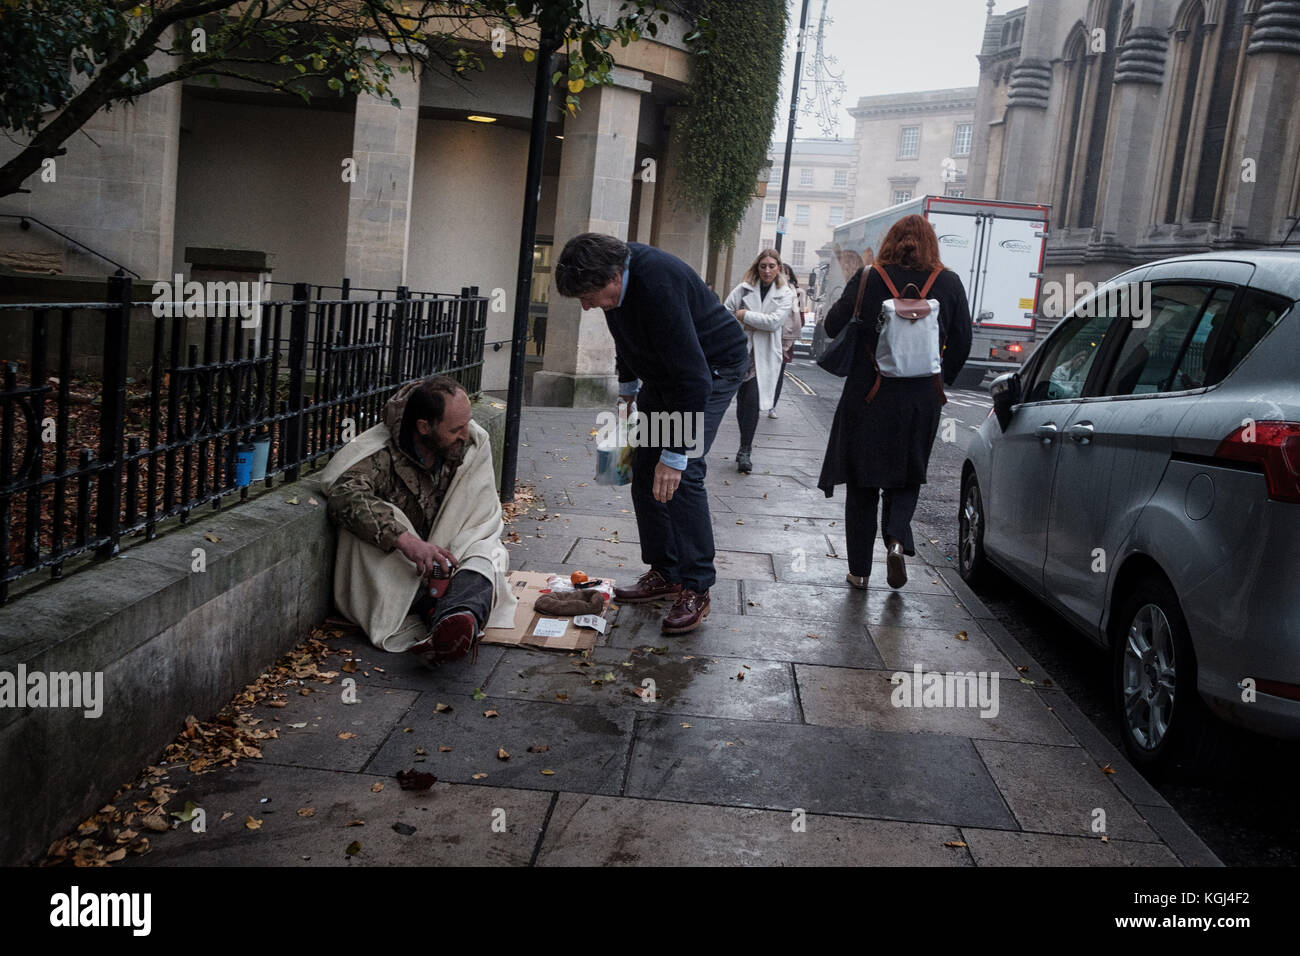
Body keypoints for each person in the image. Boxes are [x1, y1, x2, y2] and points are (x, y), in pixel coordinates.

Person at [554, 232, 748, 634]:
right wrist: (627, 389)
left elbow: (693, 379)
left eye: (588, 295)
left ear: (613, 277)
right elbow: (625, 336)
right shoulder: (614, 287)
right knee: (644, 468)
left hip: (711, 369)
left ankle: (696, 586)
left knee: (684, 472)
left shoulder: (658, 283)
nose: (587, 305)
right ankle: (667, 571)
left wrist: (676, 454)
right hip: (666, 372)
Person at [817, 214, 972, 590]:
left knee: (862, 481)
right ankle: (897, 539)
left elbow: (833, 325)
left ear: (889, 242)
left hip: (868, 393)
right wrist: (939, 377)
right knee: (908, 473)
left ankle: (859, 571)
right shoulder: (948, 282)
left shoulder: (870, 277)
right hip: (921, 398)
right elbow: (963, 341)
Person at [321, 376, 517, 666]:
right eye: (455, 429)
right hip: (405, 566)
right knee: (375, 529)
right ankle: (438, 612)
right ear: (424, 427)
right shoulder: (382, 452)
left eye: (467, 424)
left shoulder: (472, 442)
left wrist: (446, 556)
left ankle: (457, 618)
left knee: (486, 553)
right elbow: (343, 494)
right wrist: (407, 542)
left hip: (452, 555)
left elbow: (481, 518)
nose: (466, 434)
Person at [721, 249, 795, 473]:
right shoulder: (743, 288)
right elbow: (725, 311)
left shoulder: (785, 293)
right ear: (757, 267)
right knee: (740, 401)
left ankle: (745, 450)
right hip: (739, 351)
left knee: (751, 401)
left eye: (772, 266)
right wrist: (748, 321)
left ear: (778, 268)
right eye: (763, 266)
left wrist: (743, 315)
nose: (767, 270)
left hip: (762, 355)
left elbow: (774, 322)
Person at [769, 263, 809, 418]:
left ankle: (772, 406)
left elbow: (802, 319)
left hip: (786, 337)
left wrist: (790, 325)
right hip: (769, 334)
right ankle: (760, 401)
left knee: (779, 372)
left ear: (790, 276)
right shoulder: (770, 291)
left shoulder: (798, 293)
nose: (782, 276)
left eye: (784, 273)